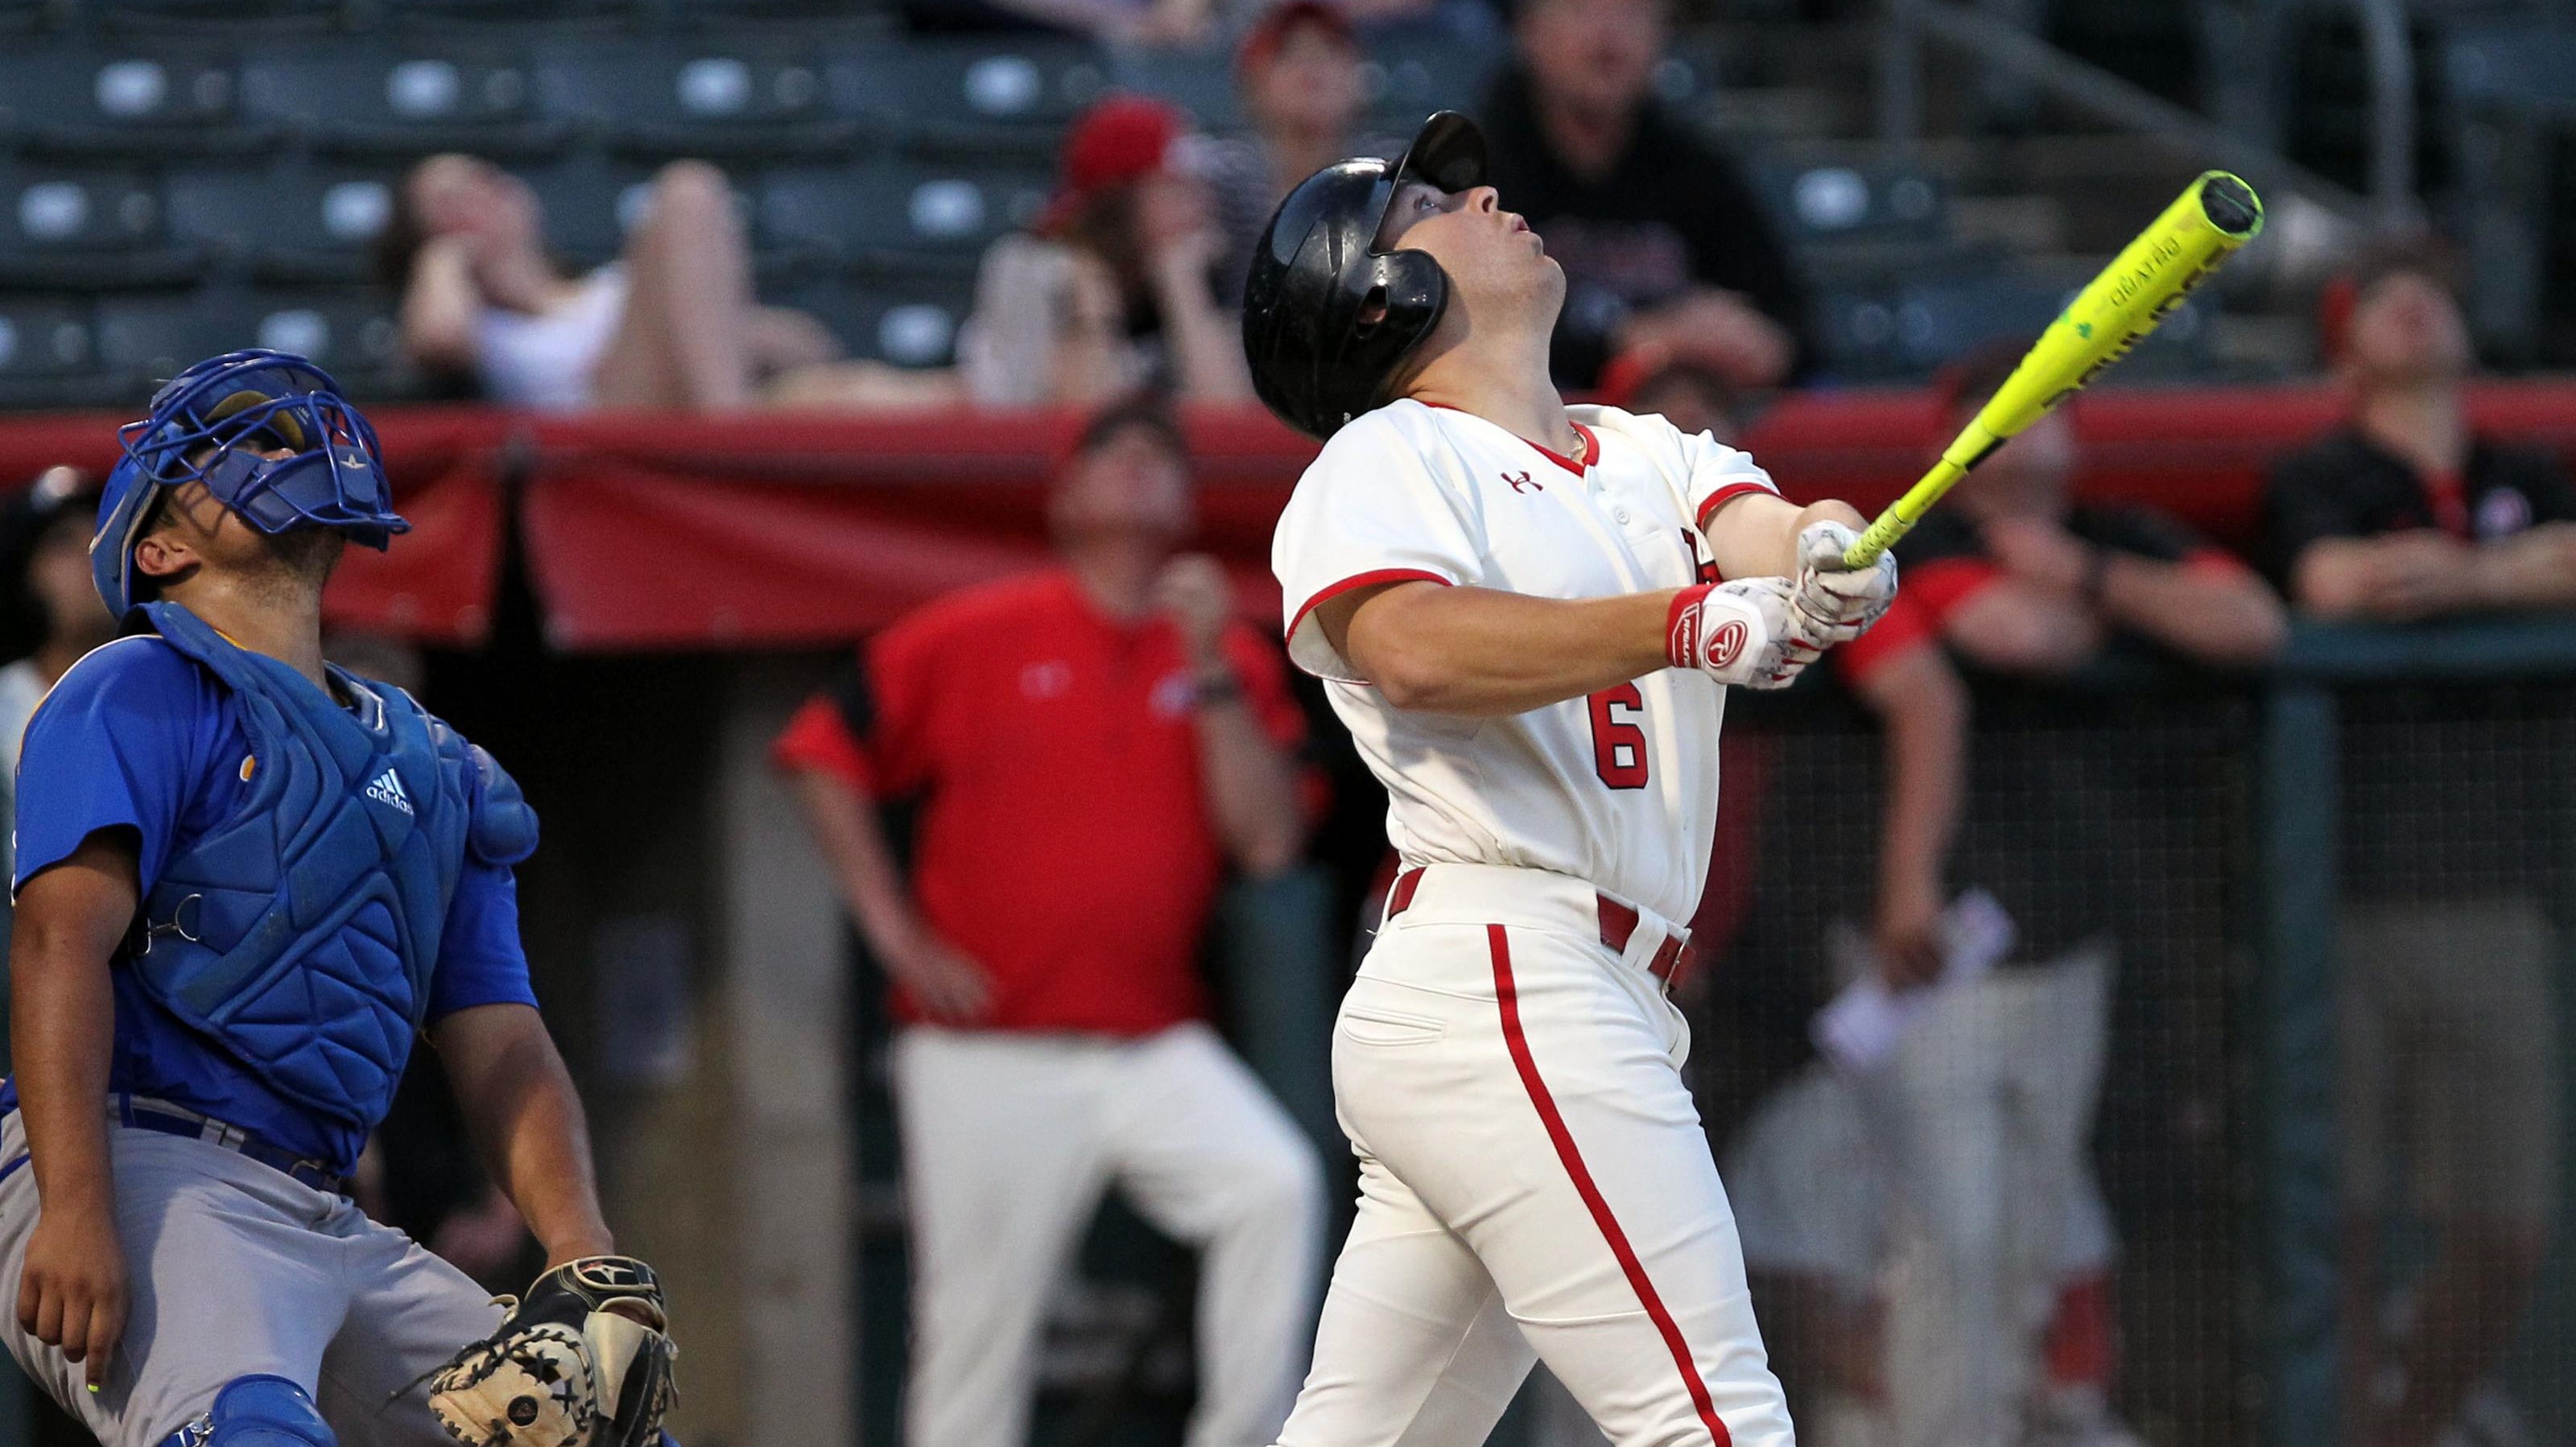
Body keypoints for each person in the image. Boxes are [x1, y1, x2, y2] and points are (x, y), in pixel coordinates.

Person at [1245, 110, 1898, 1447]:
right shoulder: (1382, 458)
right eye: (1432, 202)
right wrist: (1682, 620)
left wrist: (1832, 550)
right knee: (1715, 1419)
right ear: (1382, 294)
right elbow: (1413, 649)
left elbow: (1760, 527)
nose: (1483, 198)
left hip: (1579, 991)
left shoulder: (1643, 447)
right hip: (1507, 969)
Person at [2, 351, 673, 1447]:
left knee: (598, 1435)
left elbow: (499, 1037)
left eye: (274, 440)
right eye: (228, 453)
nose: (270, 450)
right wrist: (77, 1206)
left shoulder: (441, 766)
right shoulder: (134, 687)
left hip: (328, 1202)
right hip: (137, 1158)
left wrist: (581, 1253)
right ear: (159, 548)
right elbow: (57, 945)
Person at [774, 398, 1325, 1447]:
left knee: (1275, 1185)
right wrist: (896, 935)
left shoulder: (1229, 656)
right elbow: (816, 750)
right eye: (1109, 453)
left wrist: (1209, 664)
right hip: (990, 1047)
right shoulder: (976, 627)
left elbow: (1266, 844)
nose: (1135, 468)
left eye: (1158, 456)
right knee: (976, 1336)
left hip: (1151, 1040)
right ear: (1063, 496)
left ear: (1186, 501)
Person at [1816, 344, 2283, 1447]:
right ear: (1947, 444)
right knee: (1951, 1241)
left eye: (2043, 411)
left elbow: (2254, 624)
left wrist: (2087, 575)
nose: (2024, 433)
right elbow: (2015, 637)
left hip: (2073, 948)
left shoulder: (2116, 540)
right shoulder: (1909, 539)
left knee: (2028, 1242)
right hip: (1932, 962)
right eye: (1993, 416)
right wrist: (2115, 608)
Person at [2263, 247, 2571, 1447]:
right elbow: (2340, 582)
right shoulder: (2323, 470)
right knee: (2333, 1216)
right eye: (2380, 293)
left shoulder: (2520, 469)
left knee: (2508, 1224)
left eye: (2431, 286)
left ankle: (2411, 1424)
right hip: (2347, 892)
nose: (2414, 300)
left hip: (2500, 888)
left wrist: (2467, 573)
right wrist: (2516, 580)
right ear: (2343, 353)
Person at [1477, 0, 1814, 394]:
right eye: (1581, 9)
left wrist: (1761, 344)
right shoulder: (1477, 171)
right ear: (1528, 29)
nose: (1609, 35)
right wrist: (1640, 340)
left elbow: (1789, 325)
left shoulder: (1696, 169)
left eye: (1633, 11)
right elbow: (1472, 335)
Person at [381, 154, 849, 412]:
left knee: (857, 394)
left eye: (485, 180)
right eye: (450, 200)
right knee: (686, 193)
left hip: (702, 400)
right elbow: (437, 339)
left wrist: (714, 337)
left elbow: (811, 346)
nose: (479, 197)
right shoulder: (485, 324)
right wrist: (446, 256)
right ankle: (729, 436)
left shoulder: (609, 286)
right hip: (613, 433)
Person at [960, 95, 1257, 409]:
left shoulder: (1199, 267)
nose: (1200, 205)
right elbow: (1086, 420)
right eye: (1175, 188)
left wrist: (1182, 287)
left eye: (1197, 187)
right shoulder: (1034, 266)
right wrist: (1093, 315)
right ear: (1120, 201)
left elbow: (1229, 420)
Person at [1202, 3, 1389, 307]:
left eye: (1330, 50)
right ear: (1253, 84)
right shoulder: (1219, 183)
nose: (1312, 66)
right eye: (1287, 52)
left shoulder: (1392, 175)